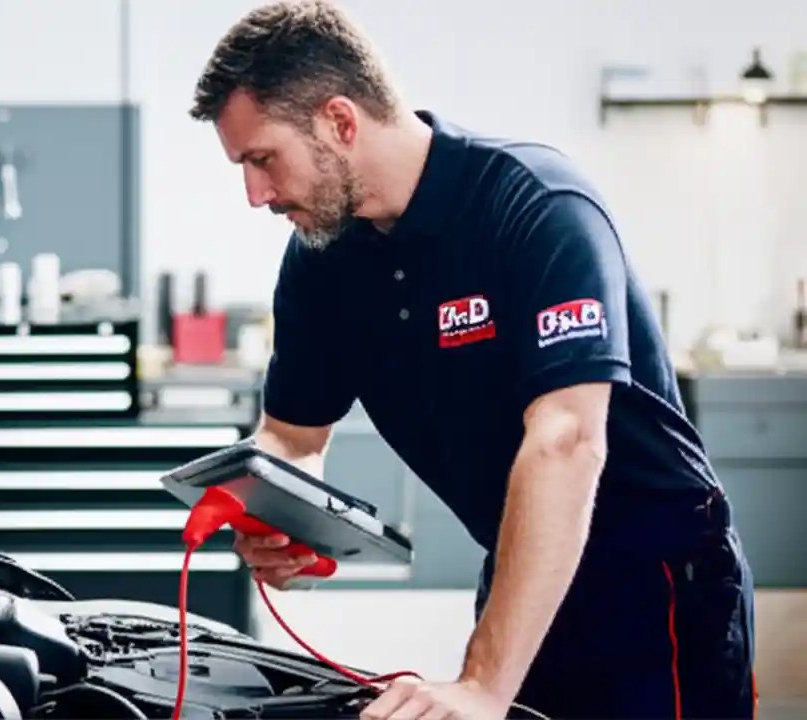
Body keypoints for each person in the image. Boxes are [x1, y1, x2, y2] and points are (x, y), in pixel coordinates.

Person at [186, 2, 757, 719]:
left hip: (657, 582)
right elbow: (290, 439)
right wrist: (281, 523)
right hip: (524, 571)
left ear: (339, 120)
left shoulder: (535, 205)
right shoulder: (322, 262)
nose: (254, 195)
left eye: (262, 159)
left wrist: (484, 683)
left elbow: (567, 442)